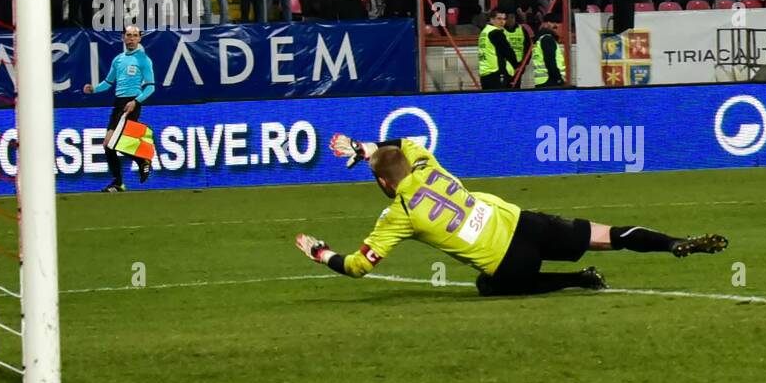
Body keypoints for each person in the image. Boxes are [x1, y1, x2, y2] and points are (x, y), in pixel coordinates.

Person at [295, 135, 728, 296]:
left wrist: (321, 253)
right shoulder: (426, 164)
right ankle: (671, 242)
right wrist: (365, 148)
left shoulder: (398, 214)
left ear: (386, 185)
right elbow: (401, 143)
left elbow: (357, 267)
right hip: (525, 222)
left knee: (487, 285)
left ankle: (578, 280)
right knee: (609, 234)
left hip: (507, 262)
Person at [83, 25, 155, 192]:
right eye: (128, 35)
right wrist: (94, 89)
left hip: (131, 104)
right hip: (118, 104)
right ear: (123, 37)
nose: (131, 38)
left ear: (139, 38)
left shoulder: (144, 60)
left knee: (114, 142)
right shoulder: (118, 59)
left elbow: (151, 87)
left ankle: (140, 162)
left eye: (135, 35)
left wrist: (136, 101)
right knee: (108, 145)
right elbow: (108, 82)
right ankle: (121, 180)